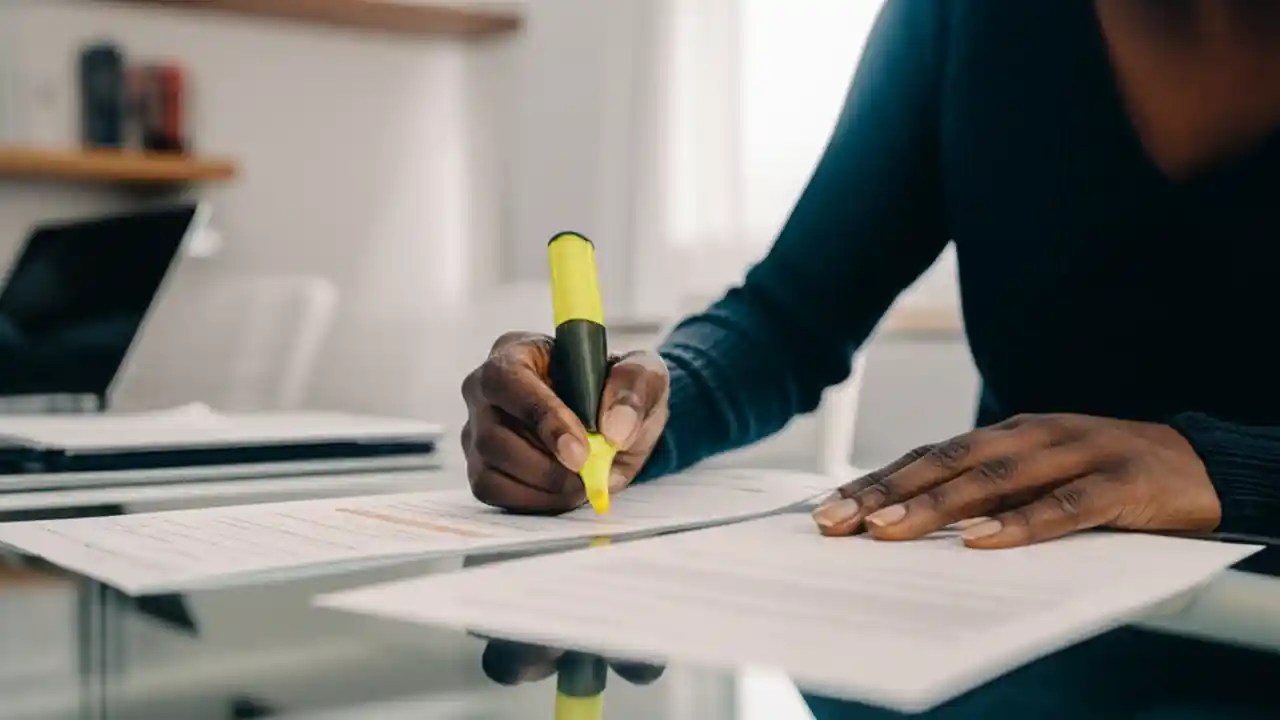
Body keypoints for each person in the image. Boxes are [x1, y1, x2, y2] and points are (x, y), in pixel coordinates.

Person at [461, 0, 1280, 549]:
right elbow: (790, 320)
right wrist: (631, 411)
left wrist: (1226, 466)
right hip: (1014, 605)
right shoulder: (963, 17)